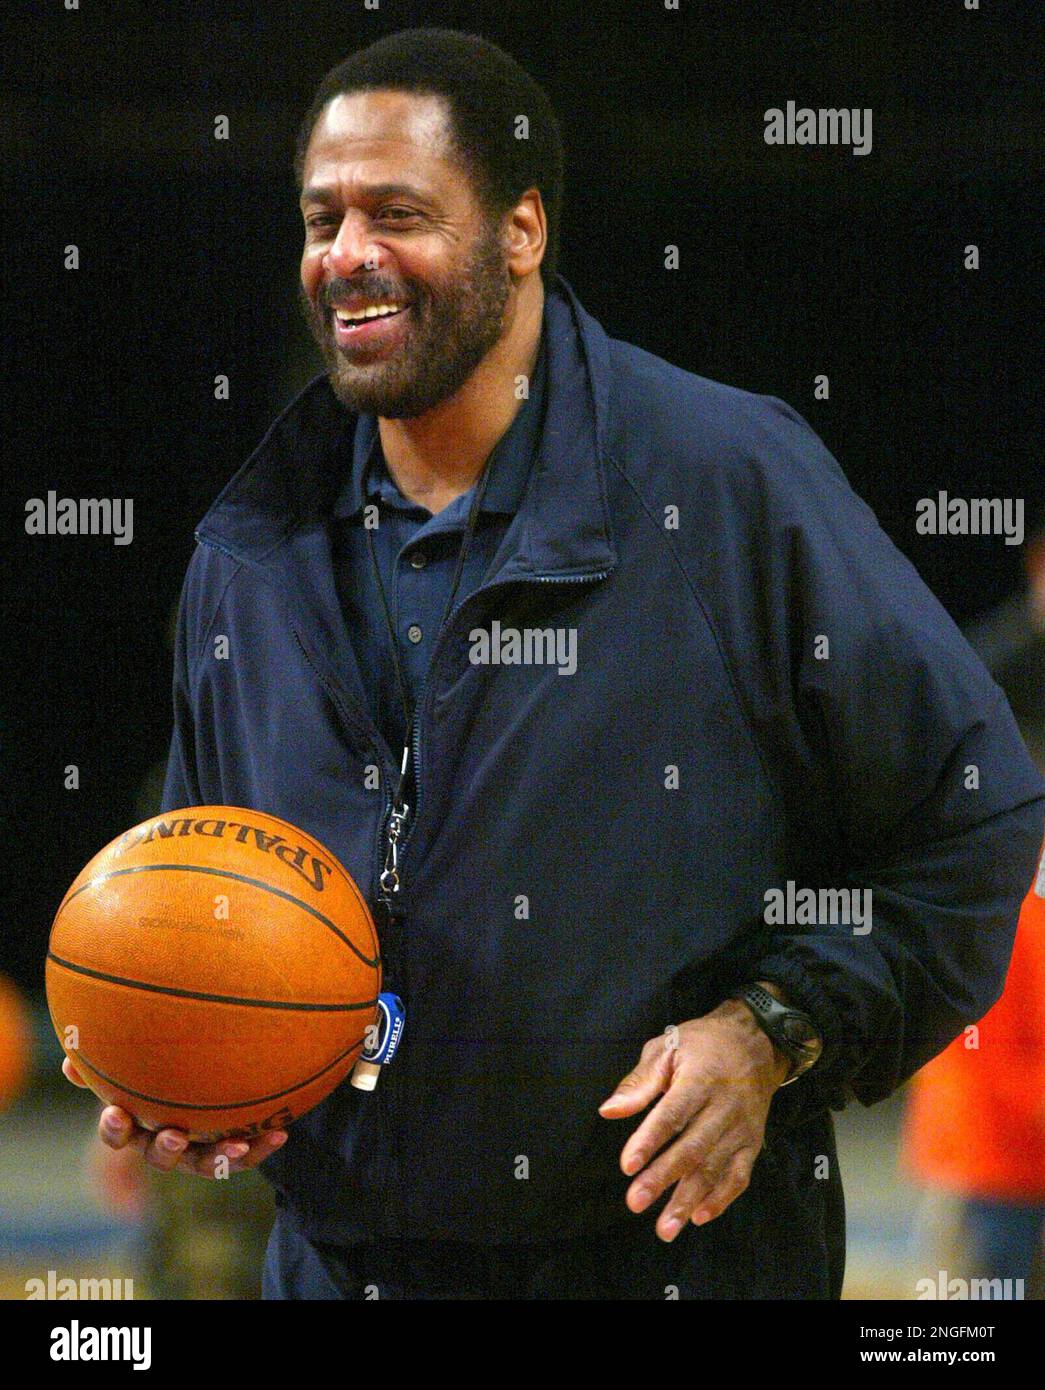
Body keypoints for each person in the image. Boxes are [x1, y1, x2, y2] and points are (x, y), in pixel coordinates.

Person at [63, 27, 1045, 1299]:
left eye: (397, 212)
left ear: (520, 231)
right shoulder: (245, 557)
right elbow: (217, 900)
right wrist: (191, 1067)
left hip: (671, 1265)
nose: (347, 253)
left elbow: (972, 820)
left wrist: (771, 1031)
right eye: (323, 217)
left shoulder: (726, 486)